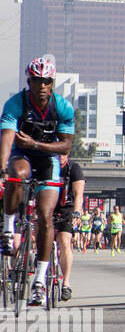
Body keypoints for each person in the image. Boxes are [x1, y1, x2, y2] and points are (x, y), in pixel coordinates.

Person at [1, 56, 76, 306]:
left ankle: (40, 282)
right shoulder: (16, 103)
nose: (41, 86)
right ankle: (9, 228)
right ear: (29, 81)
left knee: (45, 216)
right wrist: (2, 167)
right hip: (21, 155)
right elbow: (7, 137)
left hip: (47, 159)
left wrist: (35, 144)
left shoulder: (62, 107)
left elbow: (65, 146)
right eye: (36, 81)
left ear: (52, 83)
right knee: (16, 173)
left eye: (46, 81)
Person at [51, 153, 84, 302]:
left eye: (63, 154)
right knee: (40, 238)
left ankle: (66, 283)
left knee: (64, 241)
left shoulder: (73, 168)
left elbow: (78, 194)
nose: (60, 157)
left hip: (66, 209)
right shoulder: (47, 164)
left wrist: (76, 213)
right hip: (47, 207)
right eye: (57, 154)